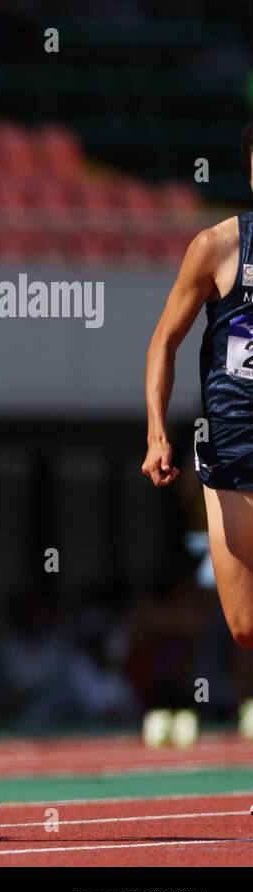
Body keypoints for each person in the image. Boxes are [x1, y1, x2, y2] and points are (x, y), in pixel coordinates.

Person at [142, 120, 253, 651]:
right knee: (245, 626)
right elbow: (164, 341)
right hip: (231, 447)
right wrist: (157, 434)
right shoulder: (218, 247)